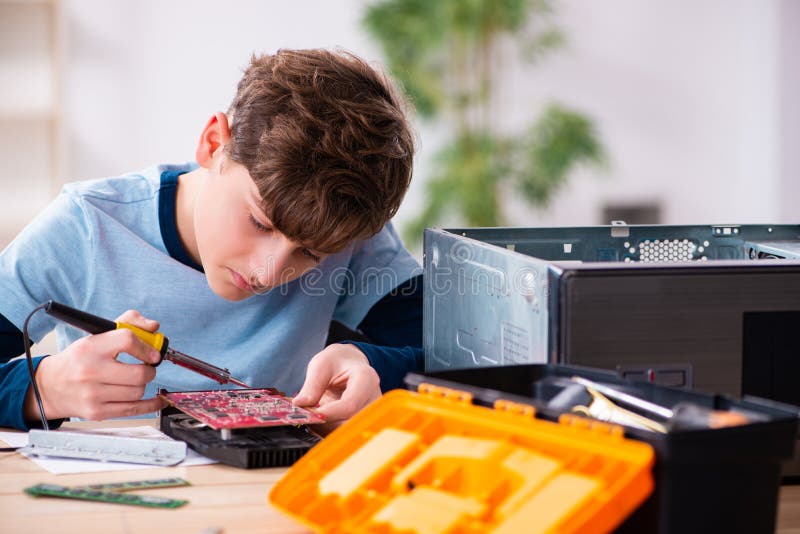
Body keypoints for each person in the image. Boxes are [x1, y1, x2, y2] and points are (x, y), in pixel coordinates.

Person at [0, 49, 422, 431]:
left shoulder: (345, 232)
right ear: (214, 143)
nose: (269, 272)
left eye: (310, 253)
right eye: (259, 222)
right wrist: (44, 387)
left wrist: (375, 366)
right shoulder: (85, 225)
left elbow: (467, 365)